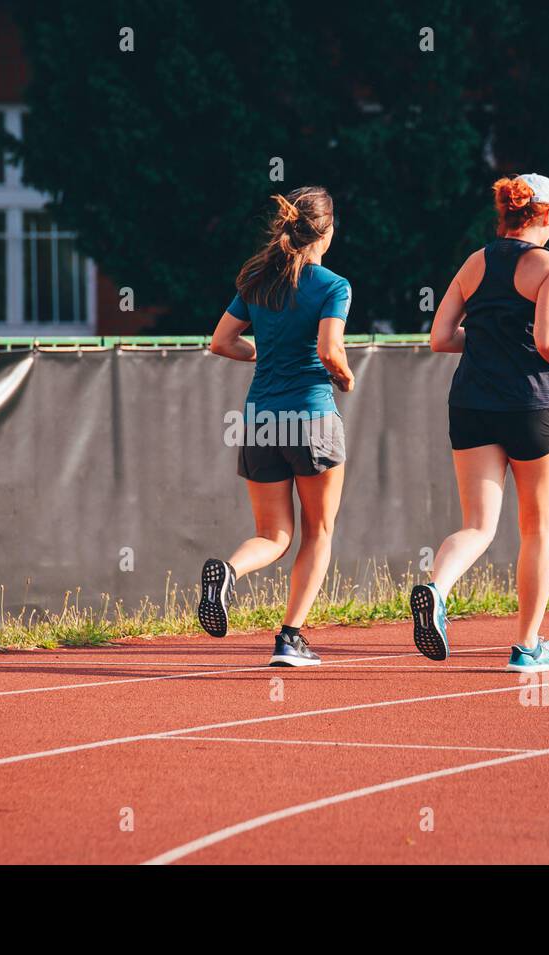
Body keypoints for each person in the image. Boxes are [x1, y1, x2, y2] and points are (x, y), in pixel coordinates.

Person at [410, 174, 549, 674]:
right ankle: (527, 646)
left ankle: (437, 589)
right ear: (546, 215)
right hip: (532, 404)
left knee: (478, 525)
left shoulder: (475, 261)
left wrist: (488, 339)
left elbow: (440, 338)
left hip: (472, 403)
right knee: (536, 529)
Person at [197, 186, 355, 667]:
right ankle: (290, 638)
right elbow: (330, 350)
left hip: (261, 418)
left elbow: (221, 342)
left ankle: (228, 570)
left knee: (272, 535)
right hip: (311, 417)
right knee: (319, 532)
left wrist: (265, 353)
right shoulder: (333, 285)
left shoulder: (257, 280)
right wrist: (344, 377)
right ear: (325, 232)